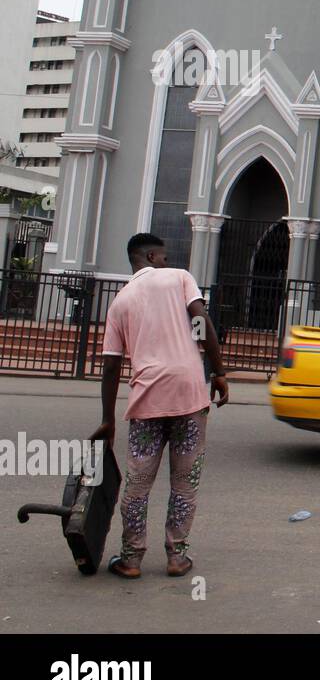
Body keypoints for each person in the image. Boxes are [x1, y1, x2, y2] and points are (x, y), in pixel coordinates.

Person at [91, 233, 229, 578]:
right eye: (163, 257)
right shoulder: (179, 278)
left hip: (147, 400)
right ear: (152, 256)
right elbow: (202, 322)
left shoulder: (120, 301)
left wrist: (108, 419)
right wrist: (219, 372)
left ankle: (132, 558)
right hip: (189, 395)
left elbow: (110, 366)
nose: (166, 262)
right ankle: (177, 556)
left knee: (137, 484)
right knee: (185, 481)